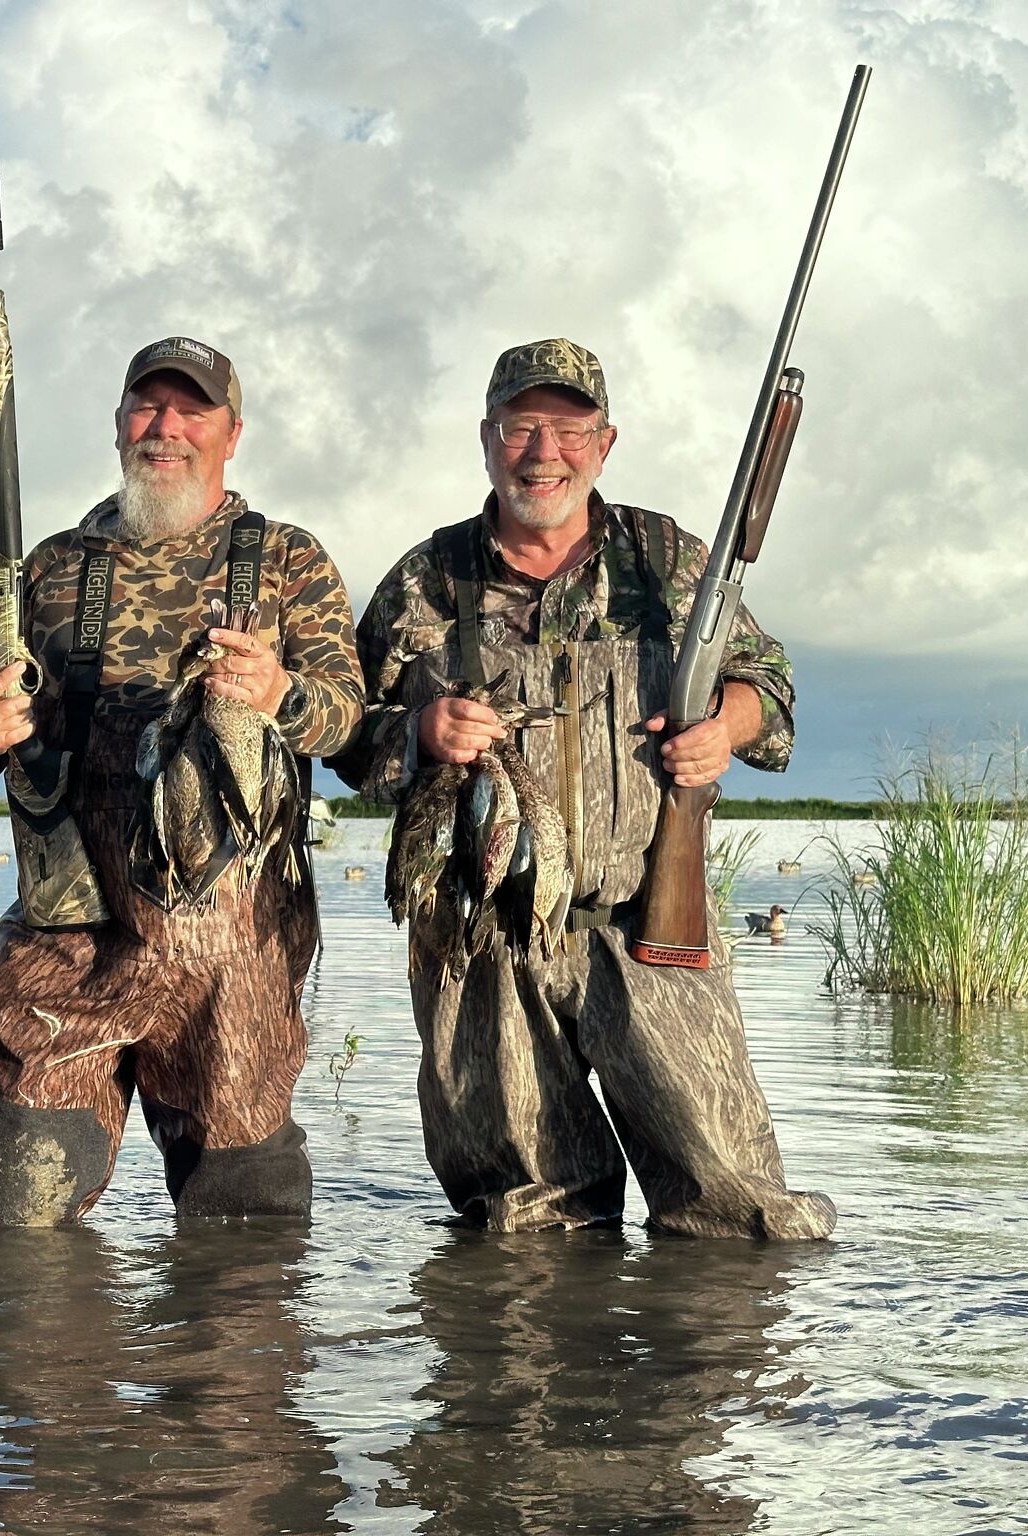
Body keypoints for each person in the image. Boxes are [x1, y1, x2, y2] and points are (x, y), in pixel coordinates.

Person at [331, 337, 834, 1239]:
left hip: (650, 924)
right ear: (488, 440)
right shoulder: (424, 581)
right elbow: (340, 733)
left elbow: (771, 685)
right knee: (523, 1228)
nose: (544, 452)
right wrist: (418, 732)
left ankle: (719, 1381)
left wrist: (725, 726)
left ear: (606, 444)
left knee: (740, 1216)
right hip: (483, 946)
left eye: (569, 430)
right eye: (523, 427)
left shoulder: (664, 557)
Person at [0, 337, 365, 1226]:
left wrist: (278, 691)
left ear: (231, 432)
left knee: (245, 1239)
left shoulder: (287, 560)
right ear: (120, 422)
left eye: (192, 410)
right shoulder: (51, 567)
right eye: (147, 407)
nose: (165, 429)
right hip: (68, 936)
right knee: (2, 1209)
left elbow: (345, 718)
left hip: (230, 957)